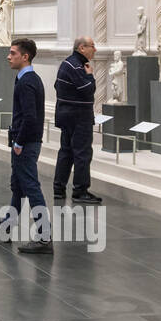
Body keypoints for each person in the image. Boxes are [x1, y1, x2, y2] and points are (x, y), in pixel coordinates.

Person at [0, 38, 51, 253]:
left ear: (25, 56)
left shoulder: (27, 82)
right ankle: (6, 227)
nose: (8, 56)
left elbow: (30, 118)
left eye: (13, 53)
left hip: (26, 143)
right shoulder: (26, 79)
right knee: (19, 187)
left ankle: (44, 237)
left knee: (31, 188)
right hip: (25, 141)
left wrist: (20, 142)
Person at [53, 37, 102, 204]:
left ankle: (59, 189)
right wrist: (90, 76)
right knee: (82, 153)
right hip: (78, 116)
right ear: (82, 48)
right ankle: (80, 191)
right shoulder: (76, 65)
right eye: (92, 46)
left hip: (67, 114)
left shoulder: (68, 63)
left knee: (66, 151)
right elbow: (87, 90)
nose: (95, 50)